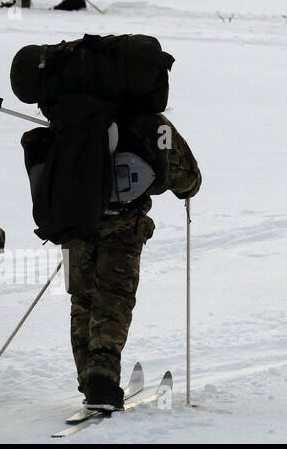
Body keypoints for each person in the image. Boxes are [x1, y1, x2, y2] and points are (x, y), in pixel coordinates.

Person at [64, 113, 201, 409]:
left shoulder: (66, 110)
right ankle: (101, 380)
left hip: (71, 219)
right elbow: (187, 175)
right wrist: (187, 187)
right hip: (123, 221)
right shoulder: (146, 118)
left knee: (83, 297)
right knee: (112, 297)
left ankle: (92, 380)